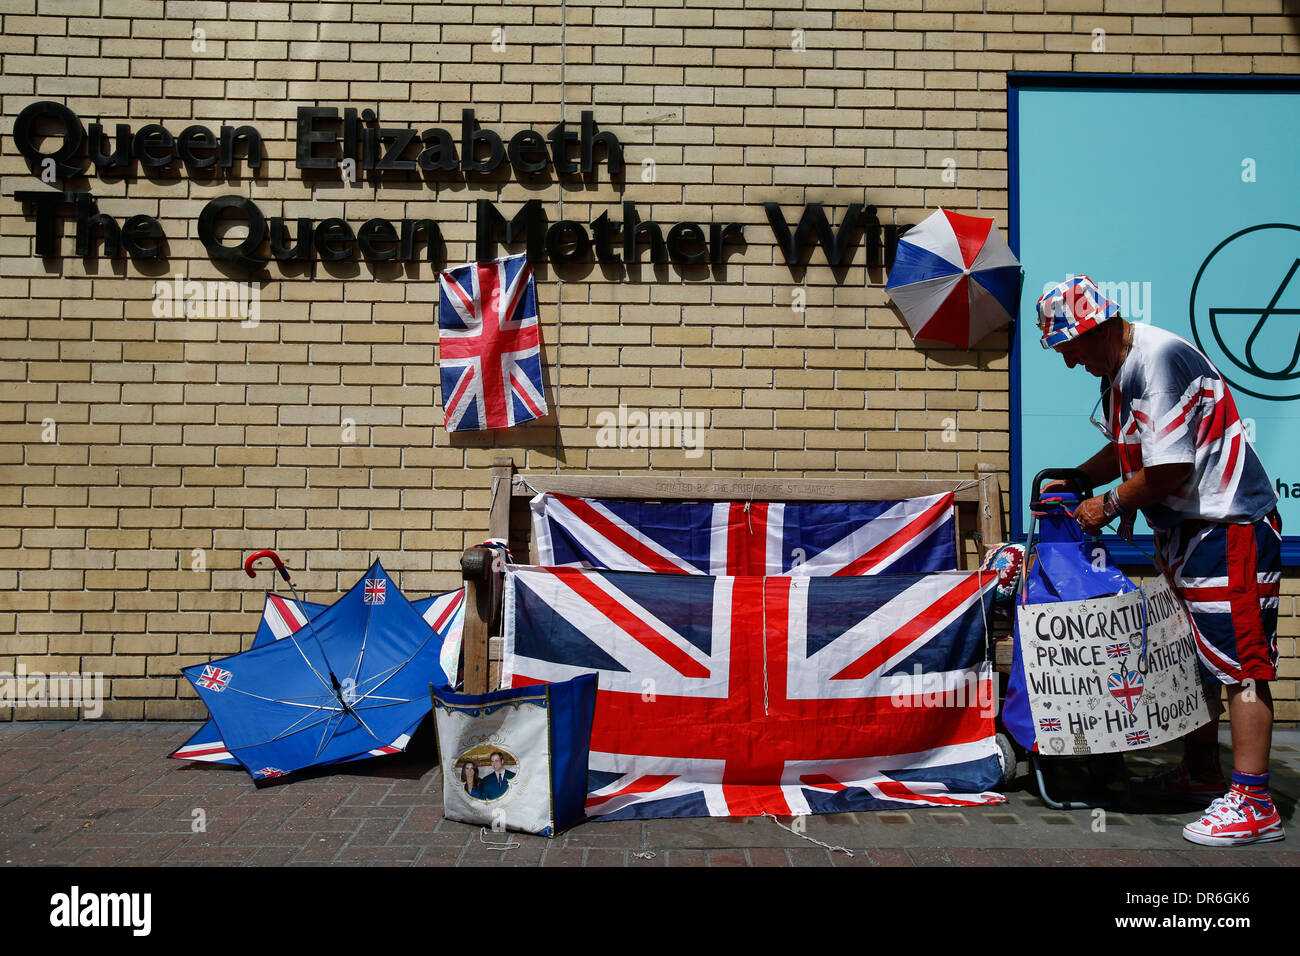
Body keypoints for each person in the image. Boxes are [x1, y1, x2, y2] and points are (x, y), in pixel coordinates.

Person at [1036, 274, 1284, 847]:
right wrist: (1079, 478)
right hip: (1188, 533)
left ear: (1094, 329)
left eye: (1068, 347)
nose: (1070, 363)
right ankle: (1202, 772)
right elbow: (1133, 450)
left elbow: (1170, 470)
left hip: (1230, 528)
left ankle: (1255, 802)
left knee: (1241, 664)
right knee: (1195, 660)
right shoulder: (1124, 370)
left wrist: (1109, 502)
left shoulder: (1159, 360)